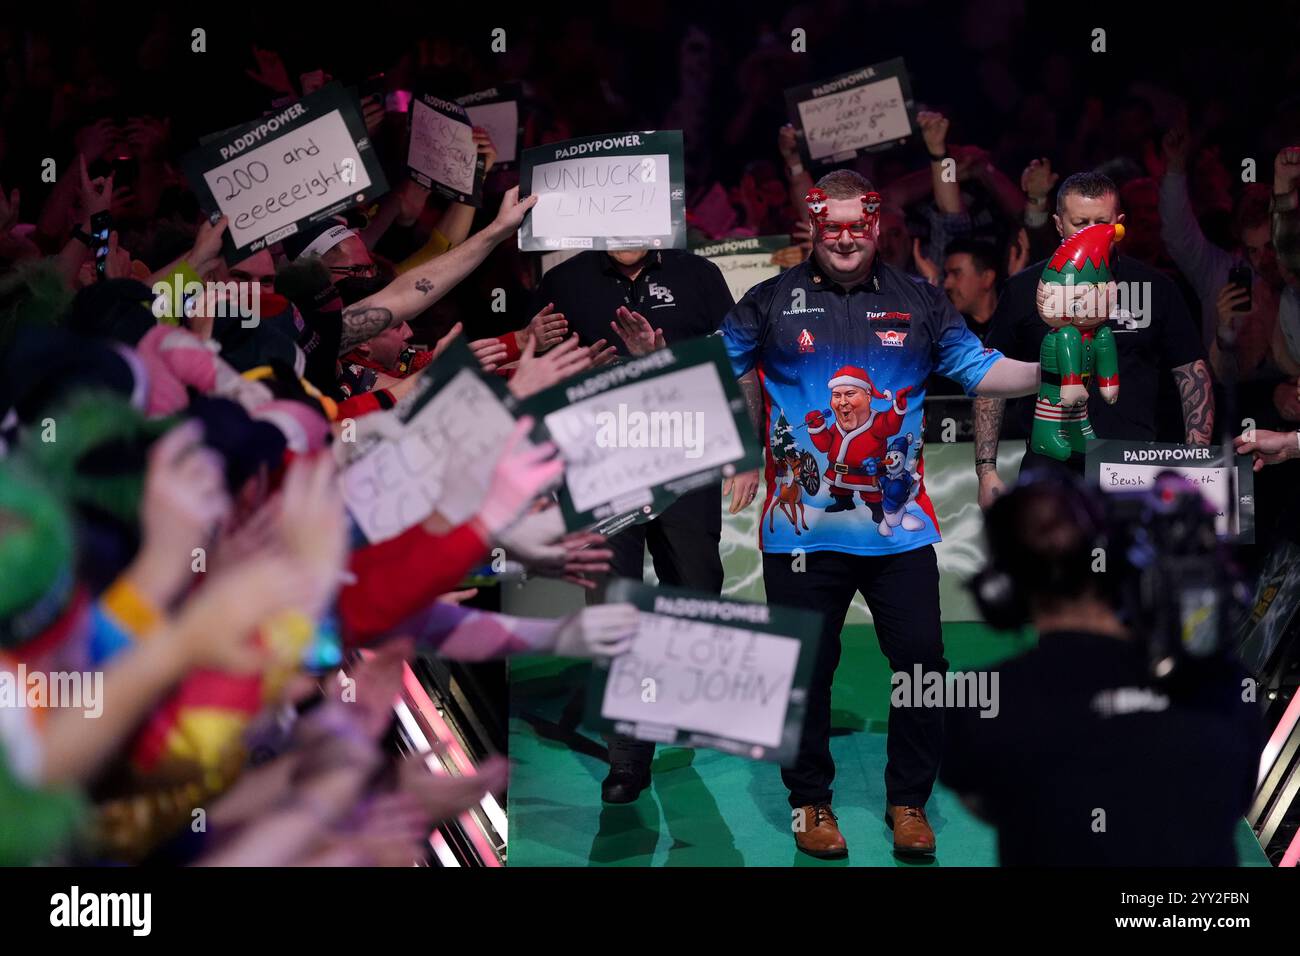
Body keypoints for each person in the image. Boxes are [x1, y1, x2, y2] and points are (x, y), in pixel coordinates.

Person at [722, 168, 1039, 858]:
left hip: (899, 532)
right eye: (828, 225)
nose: (843, 238)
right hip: (799, 533)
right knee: (806, 669)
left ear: (875, 225)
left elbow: (981, 370)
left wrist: (1056, 372)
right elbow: (709, 367)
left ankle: (908, 803)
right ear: (811, 224)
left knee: (923, 660)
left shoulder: (920, 300)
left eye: (855, 225)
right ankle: (809, 805)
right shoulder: (769, 301)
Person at [942, 473, 1263, 865]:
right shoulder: (1227, 686)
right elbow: (1236, 797)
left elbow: (988, 803)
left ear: (1002, 587)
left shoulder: (982, 702)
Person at [530, 244, 736, 803]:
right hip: (599, 463)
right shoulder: (563, 280)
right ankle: (626, 759)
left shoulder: (699, 275)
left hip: (687, 455)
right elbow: (530, 370)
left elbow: (732, 365)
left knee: (696, 592)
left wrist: (745, 453)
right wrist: (541, 349)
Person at [974, 171, 1214, 508]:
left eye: (1100, 222)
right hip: (1052, 467)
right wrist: (986, 470)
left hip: (1133, 465)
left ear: (1118, 224)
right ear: (1059, 225)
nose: (1090, 232)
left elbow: (1191, 372)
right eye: (1079, 222)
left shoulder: (1157, 287)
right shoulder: (1024, 289)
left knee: (1128, 560)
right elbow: (991, 378)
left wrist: (1197, 461)